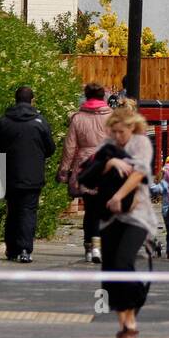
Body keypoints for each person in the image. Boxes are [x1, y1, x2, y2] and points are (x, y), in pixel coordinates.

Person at [92, 106, 161, 338]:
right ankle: (125, 325)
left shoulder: (141, 142)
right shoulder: (108, 144)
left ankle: (134, 306)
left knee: (123, 262)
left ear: (131, 127)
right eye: (113, 131)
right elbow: (92, 170)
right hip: (110, 217)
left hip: (136, 215)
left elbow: (139, 172)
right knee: (110, 270)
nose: (116, 136)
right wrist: (110, 160)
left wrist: (119, 195)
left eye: (120, 131)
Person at [0, 86, 56, 263]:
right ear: (32, 100)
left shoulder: (3, 122)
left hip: (9, 173)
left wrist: (4, 158)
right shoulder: (40, 122)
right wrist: (37, 156)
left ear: (15, 99)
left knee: (13, 210)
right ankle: (25, 248)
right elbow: (50, 148)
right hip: (33, 175)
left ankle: (11, 249)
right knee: (28, 211)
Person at [57, 82, 112, 263]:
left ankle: (89, 246)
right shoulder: (112, 117)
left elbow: (69, 147)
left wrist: (64, 170)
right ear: (103, 97)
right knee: (103, 208)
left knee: (90, 209)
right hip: (106, 165)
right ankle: (99, 245)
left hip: (85, 166)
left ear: (86, 96)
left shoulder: (78, 118)